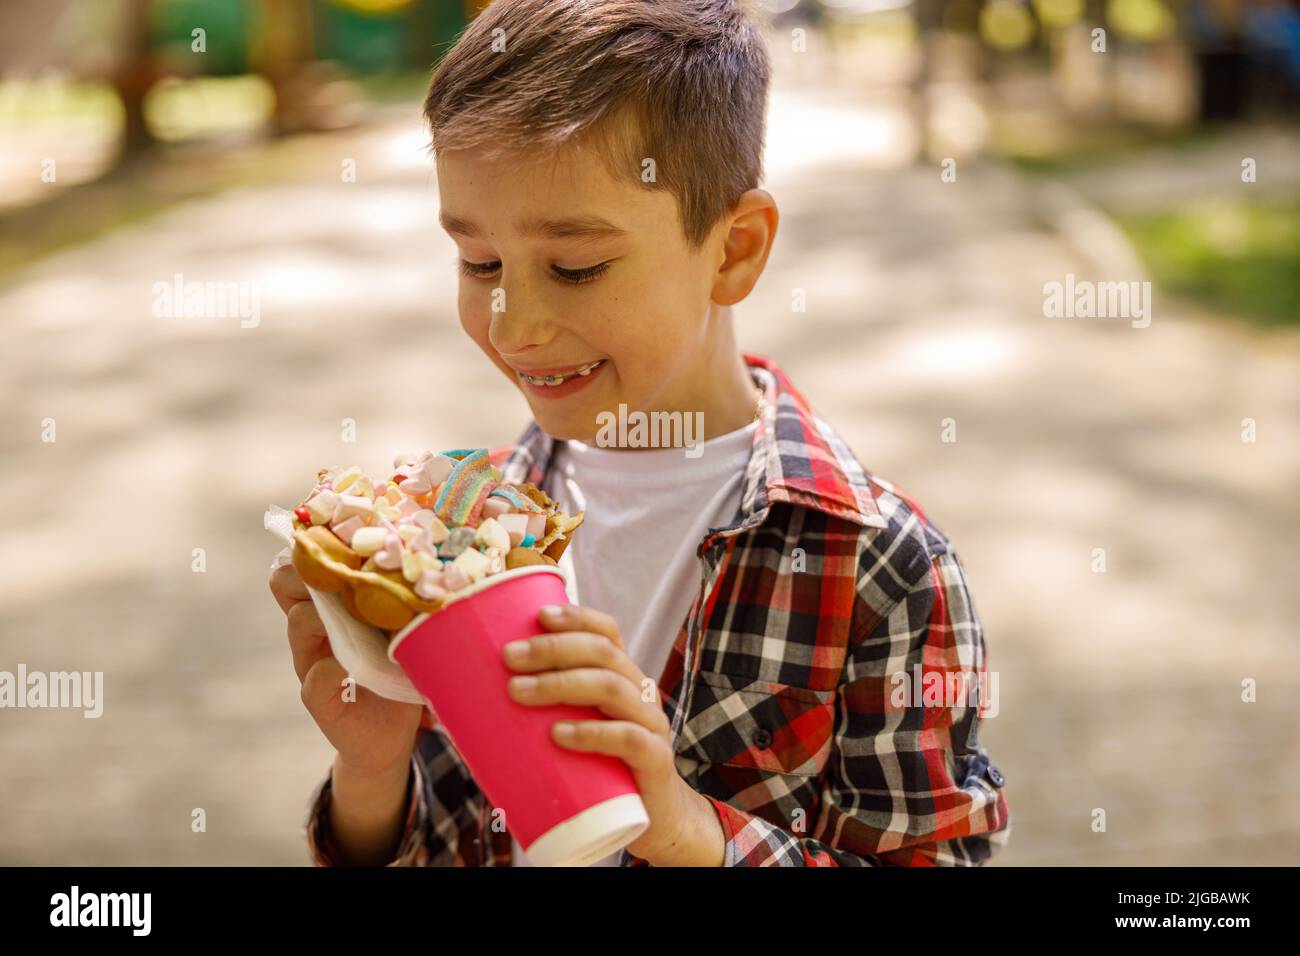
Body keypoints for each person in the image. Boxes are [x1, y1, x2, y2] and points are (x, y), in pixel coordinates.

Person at [269, 0, 1011, 867]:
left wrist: (685, 829)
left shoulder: (882, 567)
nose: (515, 328)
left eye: (576, 267)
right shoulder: (461, 540)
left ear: (733, 249)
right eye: (479, 264)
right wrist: (373, 773)